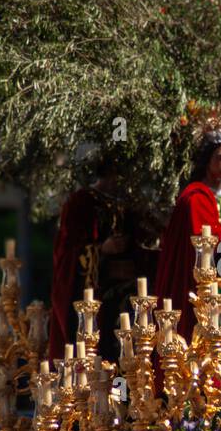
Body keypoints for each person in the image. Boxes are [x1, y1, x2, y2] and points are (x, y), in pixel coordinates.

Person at [48, 154, 156, 362]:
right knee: (99, 353)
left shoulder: (130, 205)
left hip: (127, 297)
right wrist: (101, 250)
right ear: (109, 171)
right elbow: (66, 254)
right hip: (96, 300)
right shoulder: (81, 202)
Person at [155, 127, 221, 344]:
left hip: (217, 283)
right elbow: (210, 239)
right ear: (206, 160)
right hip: (197, 286)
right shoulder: (197, 197)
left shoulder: (216, 198)